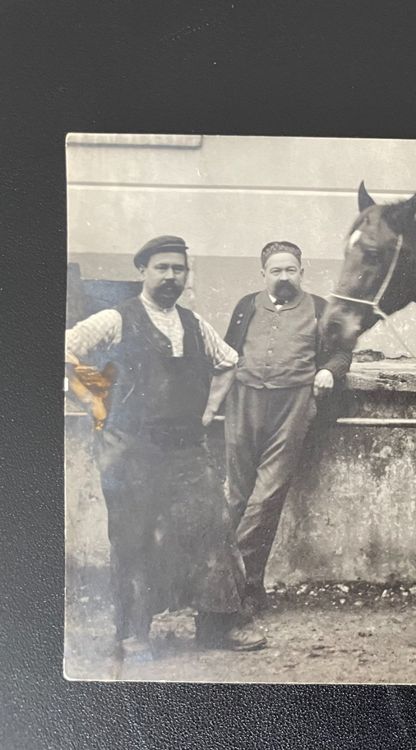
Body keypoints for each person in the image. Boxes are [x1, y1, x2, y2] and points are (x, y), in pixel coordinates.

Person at [65, 235, 267, 660]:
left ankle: (217, 626)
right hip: (132, 451)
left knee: (213, 529)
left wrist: (209, 410)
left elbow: (229, 361)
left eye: (179, 268)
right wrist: (98, 406)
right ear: (143, 271)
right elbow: (66, 350)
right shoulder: (116, 319)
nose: (171, 276)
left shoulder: (194, 325)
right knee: (134, 538)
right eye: (162, 267)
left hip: (188, 450)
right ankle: (132, 632)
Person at [220, 241, 352, 611]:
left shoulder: (321, 310)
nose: (283, 277)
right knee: (235, 495)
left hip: (293, 405)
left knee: (267, 497)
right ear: (263, 274)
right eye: (276, 271)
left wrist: (327, 371)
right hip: (244, 402)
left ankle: (227, 588)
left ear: (301, 272)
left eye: (290, 270)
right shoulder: (247, 306)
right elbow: (228, 351)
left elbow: (343, 353)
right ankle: (247, 587)